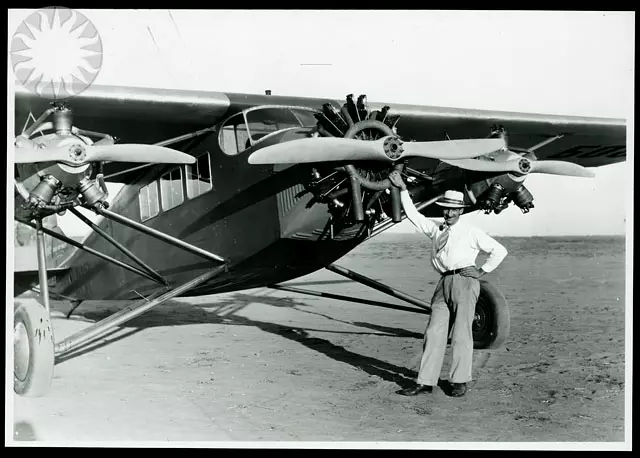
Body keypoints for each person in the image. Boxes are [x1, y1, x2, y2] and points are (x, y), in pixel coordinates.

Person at [388, 171, 507, 397]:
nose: (449, 213)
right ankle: (425, 382)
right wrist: (403, 189)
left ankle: (460, 381)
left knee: (462, 333)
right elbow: (414, 215)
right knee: (434, 332)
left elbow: (499, 250)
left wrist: (481, 270)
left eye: (454, 209)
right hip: (443, 283)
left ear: (461, 210)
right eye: (446, 208)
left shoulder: (471, 232)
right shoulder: (437, 229)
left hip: (465, 281)